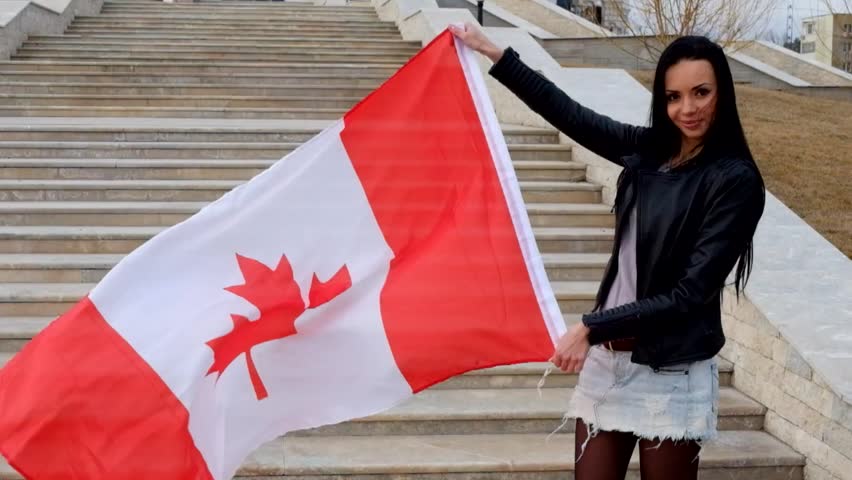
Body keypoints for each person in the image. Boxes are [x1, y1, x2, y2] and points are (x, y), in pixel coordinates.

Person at [450, 24, 766, 480]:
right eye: (673, 97)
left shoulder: (734, 180)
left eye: (701, 92)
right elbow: (574, 117)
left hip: (671, 371)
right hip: (608, 360)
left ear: (723, 93)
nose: (687, 108)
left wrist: (590, 326)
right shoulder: (651, 151)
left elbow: (689, 295)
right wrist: (496, 55)